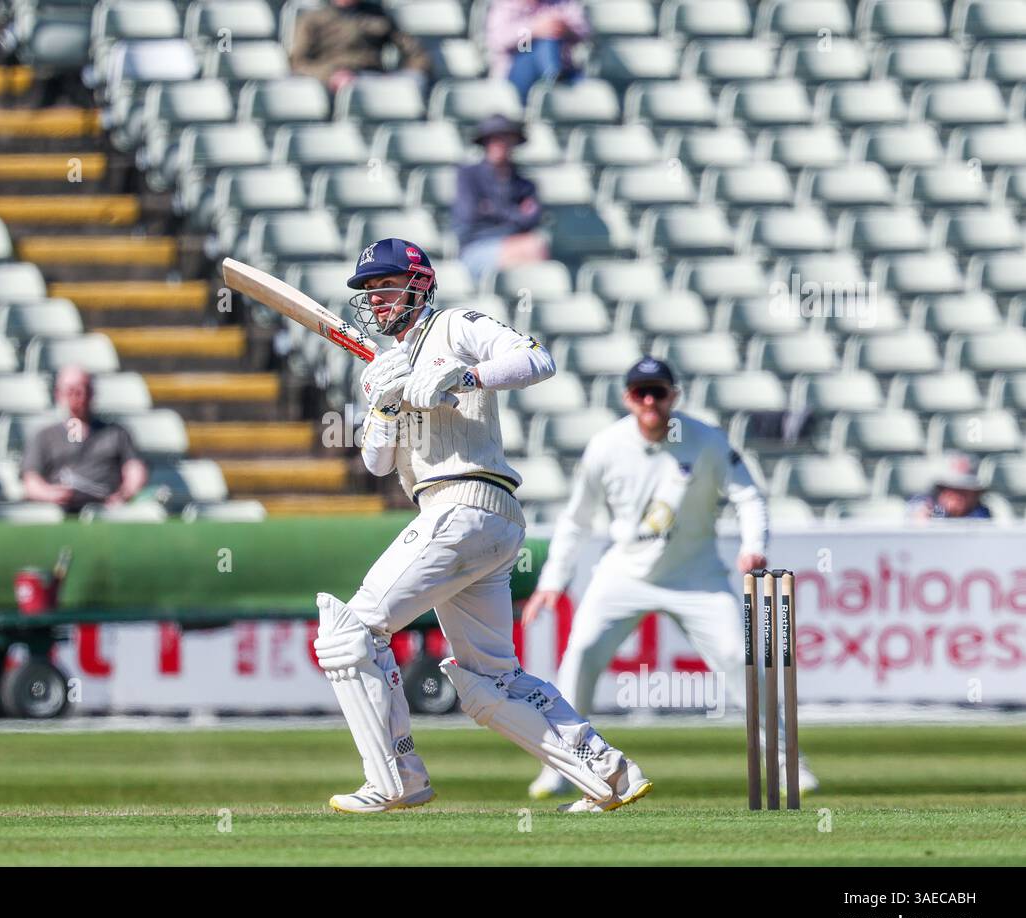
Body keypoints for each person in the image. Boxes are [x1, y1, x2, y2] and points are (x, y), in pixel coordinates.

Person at [313, 237, 652, 815]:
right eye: (369, 291)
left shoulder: (455, 326)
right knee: (490, 681)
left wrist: (460, 379)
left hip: (468, 502)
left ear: (419, 284)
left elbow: (537, 360)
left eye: (386, 285)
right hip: (464, 519)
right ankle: (609, 773)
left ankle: (396, 779)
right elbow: (374, 462)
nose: (376, 299)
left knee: (351, 632)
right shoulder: (383, 369)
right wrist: (386, 403)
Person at [521, 357, 818, 800]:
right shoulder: (606, 446)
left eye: (657, 392)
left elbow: (749, 496)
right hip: (623, 572)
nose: (648, 401)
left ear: (673, 396)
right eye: (640, 392)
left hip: (696, 574)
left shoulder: (707, 440)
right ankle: (565, 765)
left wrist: (753, 545)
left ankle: (784, 761)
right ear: (626, 398)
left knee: (742, 658)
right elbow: (575, 521)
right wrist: (551, 581)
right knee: (580, 653)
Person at [22, 366, 148, 513]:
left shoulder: (116, 433)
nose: (77, 396)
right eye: (70, 390)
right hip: (60, 512)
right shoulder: (45, 436)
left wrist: (125, 494)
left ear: (92, 393)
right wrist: (49, 494)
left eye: (82, 390)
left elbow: (135, 469)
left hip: (107, 510)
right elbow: (30, 481)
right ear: (58, 394)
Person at [453, 115, 550, 285]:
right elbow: (468, 216)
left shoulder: (524, 184)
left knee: (535, 249)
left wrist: (491, 209)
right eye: (494, 139)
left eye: (506, 139)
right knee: (533, 249)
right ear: (485, 143)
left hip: (517, 247)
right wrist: (516, 214)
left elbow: (533, 219)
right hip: (476, 249)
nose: (500, 144)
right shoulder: (469, 176)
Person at [289, 0, 431, 96]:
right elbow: (297, 63)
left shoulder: (377, 14)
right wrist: (330, 76)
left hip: (375, 77)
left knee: (414, 82)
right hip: (338, 82)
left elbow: (414, 51)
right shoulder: (313, 19)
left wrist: (412, 70)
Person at [486, 0, 590, 105]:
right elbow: (499, 40)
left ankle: (554, 77)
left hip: (563, 67)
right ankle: (553, 76)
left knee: (549, 41)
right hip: (515, 73)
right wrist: (534, 30)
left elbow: (584, 30)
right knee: (534, 46)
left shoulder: (561, 3)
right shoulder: (505, 5)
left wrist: (563, 29)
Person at [908, 455, 992, 521]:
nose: (957, 495)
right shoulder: (929, 507)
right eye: (949, 488)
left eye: (964, 489)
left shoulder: (982, 516)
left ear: (975, 494)